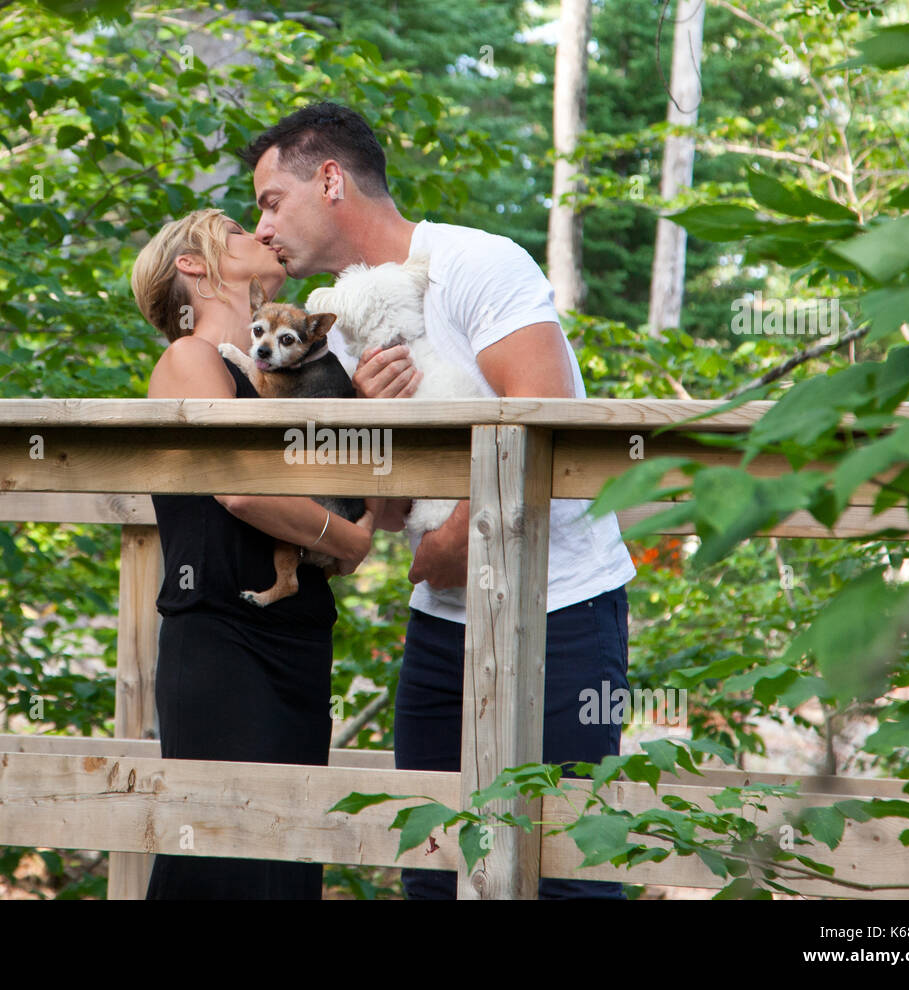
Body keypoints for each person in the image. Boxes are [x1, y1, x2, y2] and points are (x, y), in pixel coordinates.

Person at [237, 103, 637, 899]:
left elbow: (549, 414)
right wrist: (369, 422)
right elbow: (380, 510)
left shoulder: (476, 262)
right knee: (433, 868)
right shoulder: (338, 324)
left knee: (562, 873)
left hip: (558, 610)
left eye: (270, 200)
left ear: (329, 179)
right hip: (442, 621)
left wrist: (454, 541)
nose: (263, 226)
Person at [130, 207, 380, 898]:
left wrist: (376, 409)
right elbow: (240, 491)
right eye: (242, 231)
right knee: (221, 863)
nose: (265, 234)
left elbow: (361, 491)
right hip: (220, 639)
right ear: (193, 265)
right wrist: (346, 539)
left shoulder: (302, 376)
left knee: (287, 866)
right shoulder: (191, 359)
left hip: (296, 634)